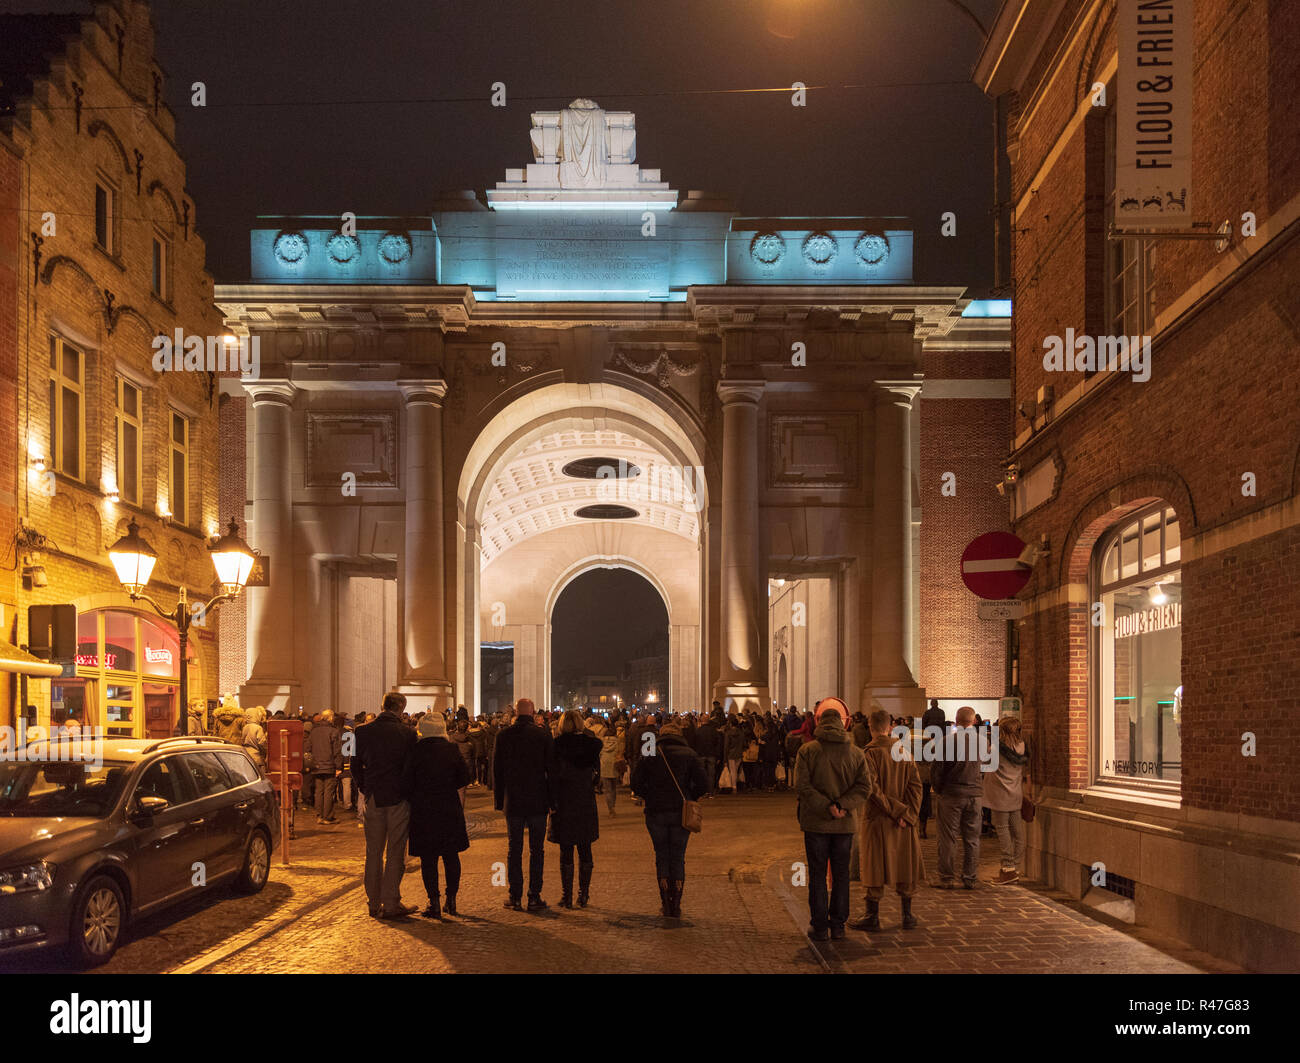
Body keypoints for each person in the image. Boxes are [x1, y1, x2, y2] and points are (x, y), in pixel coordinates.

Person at [792, 697, 873, 942]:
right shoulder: (856, 753)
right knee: (841, 876)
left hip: (816, 823)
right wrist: (841, 806)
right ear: (843, 724)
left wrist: (827, 807)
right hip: (844, 824)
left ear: (818, 722)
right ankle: (838, 925)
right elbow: (864, 787)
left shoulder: (807, 751)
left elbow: (802, 787)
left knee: (816, 875)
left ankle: (819, 926)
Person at [854, 708, 925, 931]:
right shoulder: (904, 752)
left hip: (878, 819)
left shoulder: (869, 754)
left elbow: (872, 790)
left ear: (870, 727)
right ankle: (908, 915)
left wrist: (895, 811)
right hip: (902, 822)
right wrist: (908, 814)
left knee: (875, 866)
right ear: (890, 727)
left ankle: (872, 915)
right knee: (905, 865)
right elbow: (916, 787)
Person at [630, 716, 707, 918]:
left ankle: (665, 901)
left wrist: (648, 795)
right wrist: (690, 795)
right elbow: (703, 784)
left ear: (660, 735)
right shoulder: (690, 754)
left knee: (661, 854)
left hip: (655, 811)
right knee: (678, 856)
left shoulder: (650, 752)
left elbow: (635, 783)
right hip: (681, 811)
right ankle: (677, 903)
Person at [353, 692, 418, 919]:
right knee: (395, 852)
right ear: (400, 707)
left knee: (373, 852)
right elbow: (412, 768)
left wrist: (365, 788)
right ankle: (391, 902)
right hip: (398, 798)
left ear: (382, 706)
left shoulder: (361, 731)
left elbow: (354, 765)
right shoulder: (408, 734)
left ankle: (373, 902)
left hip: (374, 796)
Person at [403, 711, 470, 919]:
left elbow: (406, 782)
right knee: (451, 857)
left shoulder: (415, 751)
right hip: (448, 808)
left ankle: (434, 901)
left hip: (423, 810)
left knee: (428, 859)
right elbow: (464, 778)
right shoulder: (451, 749)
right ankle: (452, 899)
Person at [493, 698, 556, 911]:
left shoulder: (503, 735)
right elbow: (552, 771)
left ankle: (515, 895)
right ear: (533, 712)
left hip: (514, 801)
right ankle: (534, 896)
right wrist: (552, 800)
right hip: (538, 800)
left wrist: (499, 801)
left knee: (514, 849)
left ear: (516, 713)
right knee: (537, 850)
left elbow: (497, 771)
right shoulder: (543, 735)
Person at [552, 709, 602, 908]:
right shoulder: (592, 746)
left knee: (566, 850)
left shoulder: (556, 747)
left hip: (563, 802)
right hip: (584, 802)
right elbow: (596, 777)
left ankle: (567, 896)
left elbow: (551, 776)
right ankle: (584, 894)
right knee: (585, 849)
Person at [932, 705, 984, 890]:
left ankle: (946, 877)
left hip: (952, 794)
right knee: (972, 838)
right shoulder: (983, 741)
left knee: (948, 837)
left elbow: (938, 769)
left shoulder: (946, 741)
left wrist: (938, 789)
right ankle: (970, 877)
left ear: (956, 720)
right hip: (975, 794)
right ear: (974, 720)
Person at [983, 714, 1031, 885]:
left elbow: (983, 762)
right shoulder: (1022, 746)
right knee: (1018, 833)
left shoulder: (996, 748)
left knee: (1003, 831)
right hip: (1015, 795)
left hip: (999, 796)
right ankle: (1015, 868)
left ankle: (1008, 868)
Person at [309, 708, 344, 825]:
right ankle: (327, 816)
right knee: (329, 791)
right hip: (329, 765)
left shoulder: (314, 731)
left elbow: (308, 748)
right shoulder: (333, 731)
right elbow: (337, 751)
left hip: (316, 765)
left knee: (319, 791)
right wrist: (339, 767)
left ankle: (319, 815)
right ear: (330, 718)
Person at [594, 718, 623, 815]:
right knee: (614, 788)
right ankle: (613, 805)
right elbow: (620, 752)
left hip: (604, 766)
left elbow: (599, 754)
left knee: (607, 790)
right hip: (614, 765)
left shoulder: (601, 743)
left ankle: (610, 808)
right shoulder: (618, 741)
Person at [693, 710, 721, 796]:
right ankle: (710, 792)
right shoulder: (713, 731)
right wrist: (718, 755)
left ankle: (703, 792)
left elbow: (695, 744)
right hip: (711, 755)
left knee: (702, 774)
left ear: (701, 720)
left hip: (701, 755)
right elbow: (718, 744)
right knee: (711, 775)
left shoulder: (698, 731)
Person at [722, 713, 745, 793]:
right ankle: (736, 785)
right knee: (736, 770)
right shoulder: (741, 733)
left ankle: (733, 786)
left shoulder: (728, 733)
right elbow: (743, 744)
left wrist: (725, 758)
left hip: (731, 754)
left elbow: (726, 746)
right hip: (739, 753)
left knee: (732, 770)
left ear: (731, 724)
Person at [240, 706, 268, 771]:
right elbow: (262, 743)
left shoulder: (245, 727)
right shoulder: (258, 728)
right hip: (256, 757)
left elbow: (242, 740)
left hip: (246, 756)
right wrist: (265, 752)